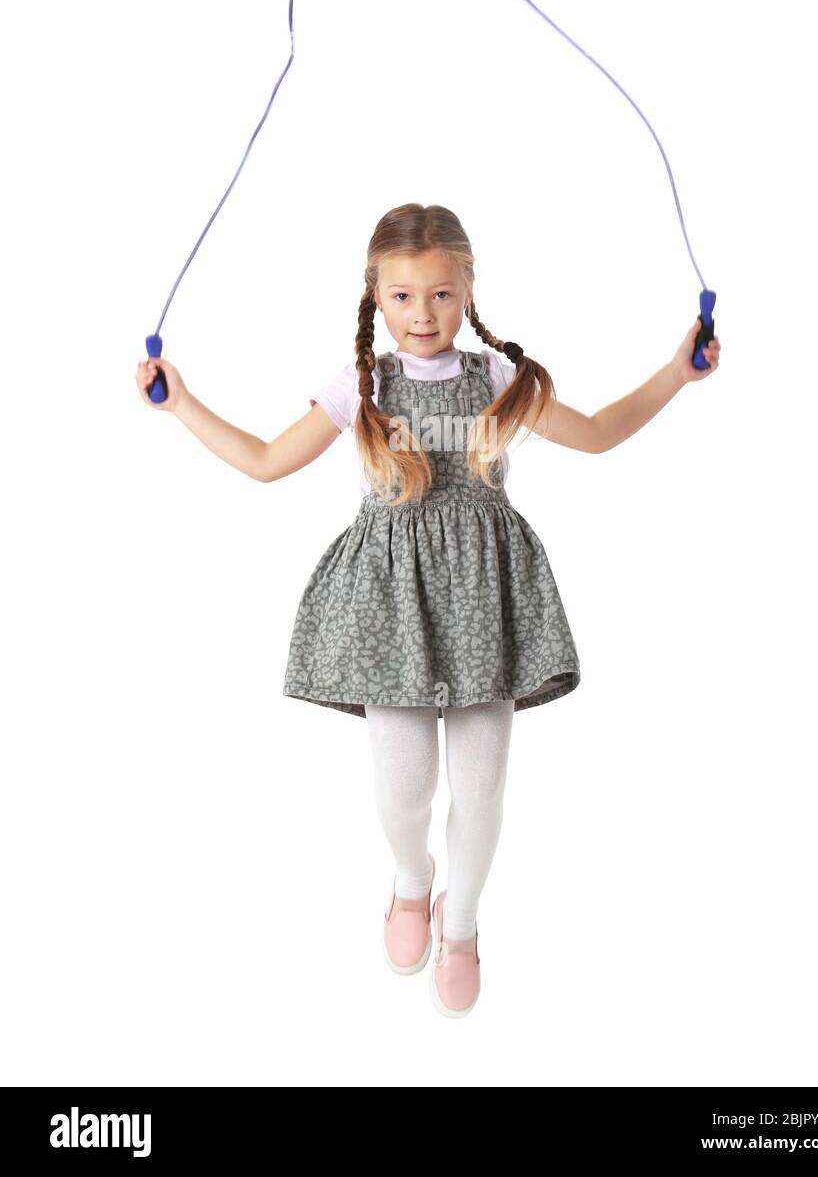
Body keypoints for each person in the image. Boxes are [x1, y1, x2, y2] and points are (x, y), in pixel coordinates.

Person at [135, 202, 721, 1018]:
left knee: (480, 792)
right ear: (375, 296)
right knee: (402, 790)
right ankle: (412, 887)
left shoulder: (498, 379)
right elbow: (268, 461)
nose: (423, 315)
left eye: (441, 295)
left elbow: (593, 433)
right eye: (403, 297)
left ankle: (464, 922)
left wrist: (676, 373)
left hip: (485, 598)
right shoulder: (364, 386)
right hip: (390, 606)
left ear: (468, 289)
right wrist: (180, 403)